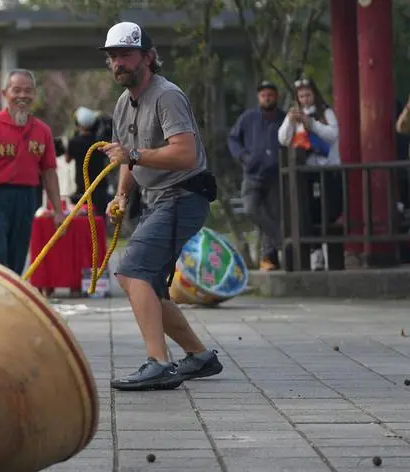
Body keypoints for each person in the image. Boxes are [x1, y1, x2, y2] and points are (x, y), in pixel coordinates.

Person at [96, 21, 223, 391]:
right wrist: (122, 195)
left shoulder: (166, 96)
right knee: (150, 285)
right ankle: (199, 358)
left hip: (183, 196)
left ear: (148, 57)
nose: (118, 63)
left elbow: (184, 154)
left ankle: (159, 363)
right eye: (112, 56)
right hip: (157, 200)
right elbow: (128, 160)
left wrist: (132, 154)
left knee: (131, 272)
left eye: (125, 55)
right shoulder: (124, 103)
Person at [0, 68, 65, 274]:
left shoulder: (42, 131)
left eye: (28, 91)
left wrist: (58, 210)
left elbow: (49, 172)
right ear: (5, 94)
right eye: (16, 90)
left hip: (27, 197)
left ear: (34, 95)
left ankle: (9, 302)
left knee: (18, 255)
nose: (22, 96)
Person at [277, 78, 341, 271]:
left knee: (330, 210)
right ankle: (315, 253)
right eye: (301, 96)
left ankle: (329, 251)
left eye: (308, 95)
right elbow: (283, 139)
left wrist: (311, 124)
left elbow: (333, 135)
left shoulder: (325, 112)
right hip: (306, 173)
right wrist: (290, 121)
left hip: (327, 170)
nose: (305, 99)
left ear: (314, 94)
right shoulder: (295, 115)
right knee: (308, 213)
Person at [227, 81, 286, 271]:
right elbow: (233, 138)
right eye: (263, 95)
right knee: (251, 209)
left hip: (276, 174)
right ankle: (281, 237)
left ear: (276, 96)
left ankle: (269, 259)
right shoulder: (248, 117)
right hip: (253, 174)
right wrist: (244, 156)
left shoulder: (284, 118)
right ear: (258, 97)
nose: (267, 98)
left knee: (272, 214)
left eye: (270, 94)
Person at [66, 106, 110, 216]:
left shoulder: (74, 142)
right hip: (100, 187)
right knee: (99, 221)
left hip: (82, 188)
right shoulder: (100, 142)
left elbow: (67, 159)